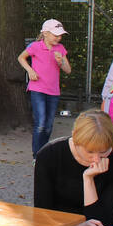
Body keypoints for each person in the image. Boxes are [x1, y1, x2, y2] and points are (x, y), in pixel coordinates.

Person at [18, 19, 72, 156]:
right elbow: (21, 58)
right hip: (37, 89)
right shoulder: (35, 46)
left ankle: (43, 153)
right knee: (40, 123)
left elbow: (68, 70)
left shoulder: (60, 49)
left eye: (60, 35)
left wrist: (61, 62)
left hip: (53, 91)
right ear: (46, 33)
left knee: (48, 126)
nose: (59, 38)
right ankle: (37, 155)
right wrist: (30, 71)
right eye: (56, 35)